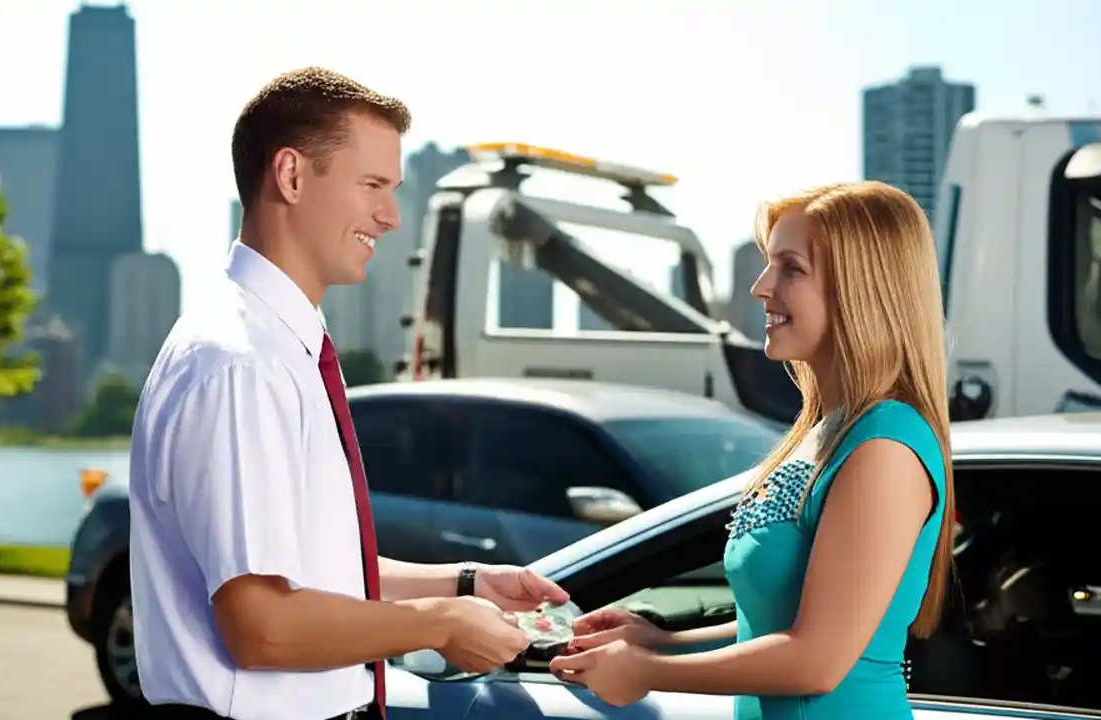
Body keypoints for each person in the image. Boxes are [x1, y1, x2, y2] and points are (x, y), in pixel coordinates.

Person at [128, 67, 568, 720]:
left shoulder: (275, 346)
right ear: (291, 175)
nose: (391, 217)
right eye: (372, 186)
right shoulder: (243, 363)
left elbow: (312, 573)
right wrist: (440, 624)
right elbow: (263, 627)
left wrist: (467, 585)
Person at [550, 181, 955, 719]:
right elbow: (770, 628)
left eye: (791, 268)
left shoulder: (884, 446)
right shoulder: (831, 430)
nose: (762, 287)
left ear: (860, 289)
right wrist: (658, 641)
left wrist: (646, 671)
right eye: (769, 264)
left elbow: (816, 662)